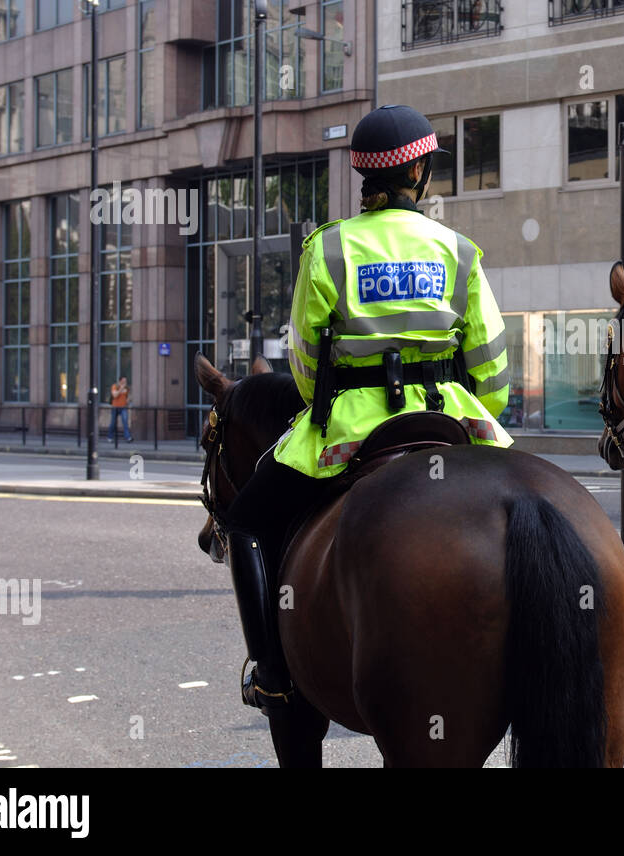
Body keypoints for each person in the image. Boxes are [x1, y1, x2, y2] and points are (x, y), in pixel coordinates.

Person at [220, 105, 514, 708]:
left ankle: (272, 672)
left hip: (352, 429)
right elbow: (493, 369)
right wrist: (476, 406)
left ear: (367, 177)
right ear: (422, 173)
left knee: (247, 521)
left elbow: (304, 369)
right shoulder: (458, 251)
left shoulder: (326, 249)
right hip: (453, 417)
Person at [109, 376, 132, 442]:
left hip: (123, 407)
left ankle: (127, 437)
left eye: (125, 381)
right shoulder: (115, 386)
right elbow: (115, 395)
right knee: (113, 423)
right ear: (120, 381)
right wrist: (121, 389)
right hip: (115, 407)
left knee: (125, 422)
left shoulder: (126, 388)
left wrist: (128, 400)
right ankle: (110, 437)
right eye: (123, 381)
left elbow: (128, 397)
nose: (124, 382)